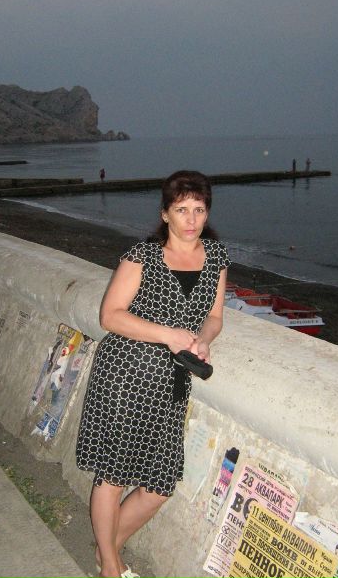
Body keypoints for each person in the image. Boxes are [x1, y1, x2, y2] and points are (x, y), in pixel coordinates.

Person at [76, 170, 230, 578]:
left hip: (172, 383)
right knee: (113, 475)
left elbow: (215, 316)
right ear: (165, 214)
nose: (191, 219)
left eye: (199, 209)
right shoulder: (142, 256)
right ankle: (110, 567)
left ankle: (108, 549)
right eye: (181, 210)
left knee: (159, 484)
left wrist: (202, 339)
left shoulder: (216, 257)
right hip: (125, 375)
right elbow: (110, 316)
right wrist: (169, 335)